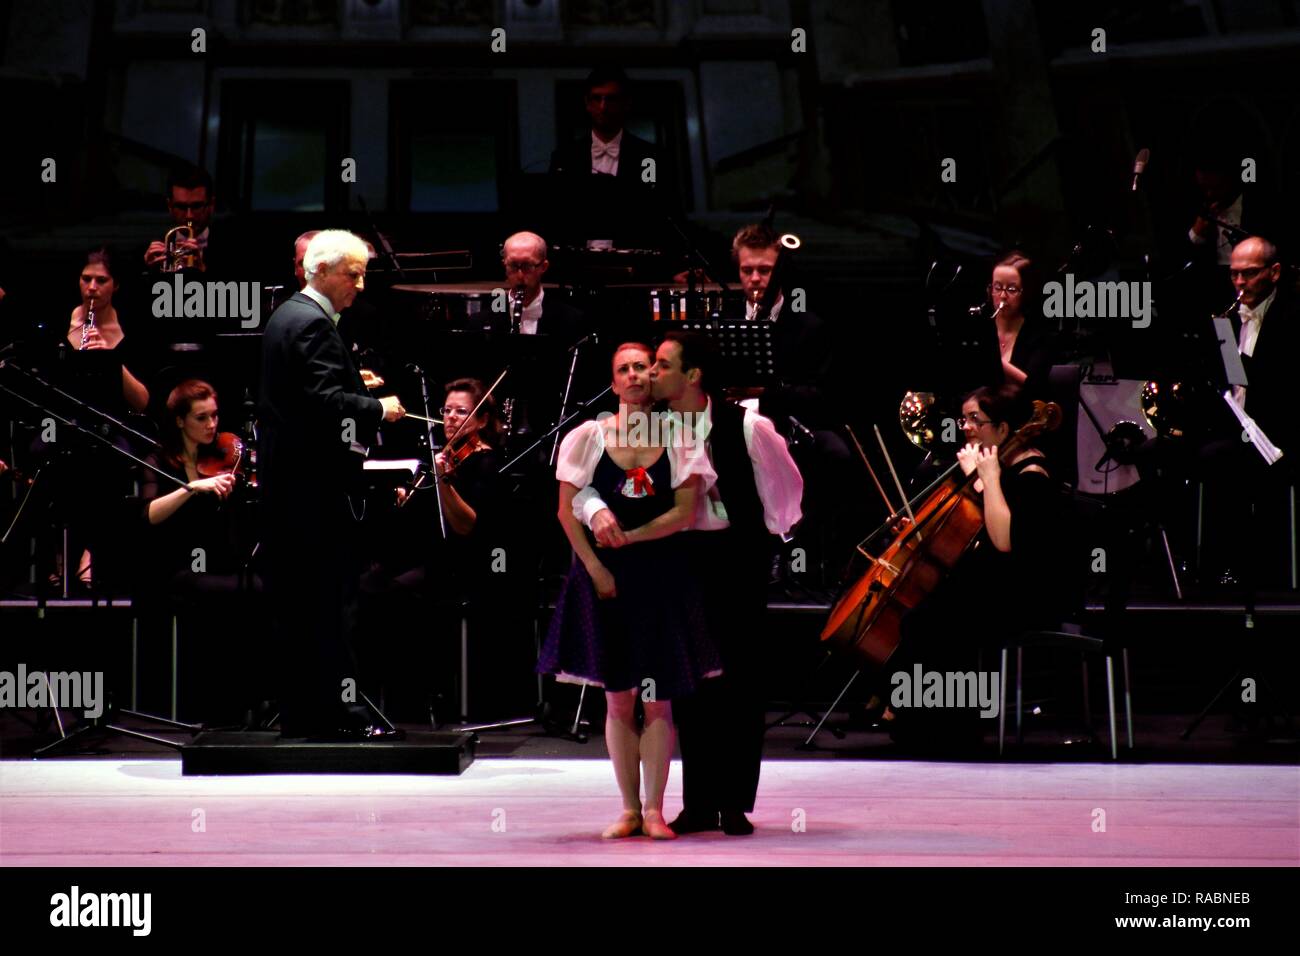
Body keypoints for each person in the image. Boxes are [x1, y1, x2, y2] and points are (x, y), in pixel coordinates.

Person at [574, 330, 803, 835]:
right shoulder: (649, 425)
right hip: (677, 560)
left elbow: (784, 487)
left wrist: (761, 539)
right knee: (689, 682)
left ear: (691, 374)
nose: (649, 373)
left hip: (734, 561)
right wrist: (600, 514)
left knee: (739, 682)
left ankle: (734, 801)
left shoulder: (747, 424)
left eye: (659, 364)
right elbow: (589, 481)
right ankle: (698, 801)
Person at [538, 342, 719, 840]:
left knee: (658, 699)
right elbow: (565, 511)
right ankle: (627, 808)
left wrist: (630, 539)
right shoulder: (587, 436)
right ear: (614, 383)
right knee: (619, 698)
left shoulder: (681, 437)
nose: (636, 374)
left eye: (644, 366)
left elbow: (684, 513)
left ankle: (656, 809)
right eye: (625, 369)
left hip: (661, 576)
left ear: (654, 377)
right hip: (605, 580)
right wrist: (596, 567)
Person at [259, 229, 406, 740]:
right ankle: (344, 716)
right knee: (331, 603)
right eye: (353, 273)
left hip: (290, 491)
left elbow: (305, 394)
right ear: (319, 271)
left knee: (302, 607)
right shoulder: (315, 326)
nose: (361, 285)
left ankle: (305, 714)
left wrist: (348, 382)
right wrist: (378, 408)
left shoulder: (288, 315)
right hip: (315, 493)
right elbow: (323, 405)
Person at [883, 384, 1066, 746]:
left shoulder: (1033, 475)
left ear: (1002, 429)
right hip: (997, 588)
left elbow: (1003, 540)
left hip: (1027, 599)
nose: (965, 426)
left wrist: (987, 479)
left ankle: (951, 725)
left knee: (936, 618)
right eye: (964, 418)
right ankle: (929, 719)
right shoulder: (997, 464)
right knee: (927, 612)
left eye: (975, 420)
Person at [548, 67, 676, 251]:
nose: (603, 107)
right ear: (587, 103)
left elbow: (662, 214)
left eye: (611, 99)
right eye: (597, 98)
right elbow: (555, 215)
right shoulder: (565, 157)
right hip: (577, 264)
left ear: (626, 103)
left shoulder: (650, 157)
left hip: (636, 265)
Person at [987, 250, 1055, 401]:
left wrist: (993, 360)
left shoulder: (1039, 336)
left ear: (1026, 292)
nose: (1003, 296)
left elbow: (1033, 386)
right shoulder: (979, 329)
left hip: (1020, 412)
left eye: (1011, 289)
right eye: (997, 288)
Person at [143, 165, 217, 274]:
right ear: (169, 206)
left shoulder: (232, 249)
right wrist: (150, 272)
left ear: (211, 205)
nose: (189, 216)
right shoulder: (151, 251)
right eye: (181, 207)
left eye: (197, 206)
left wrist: (203, 272)